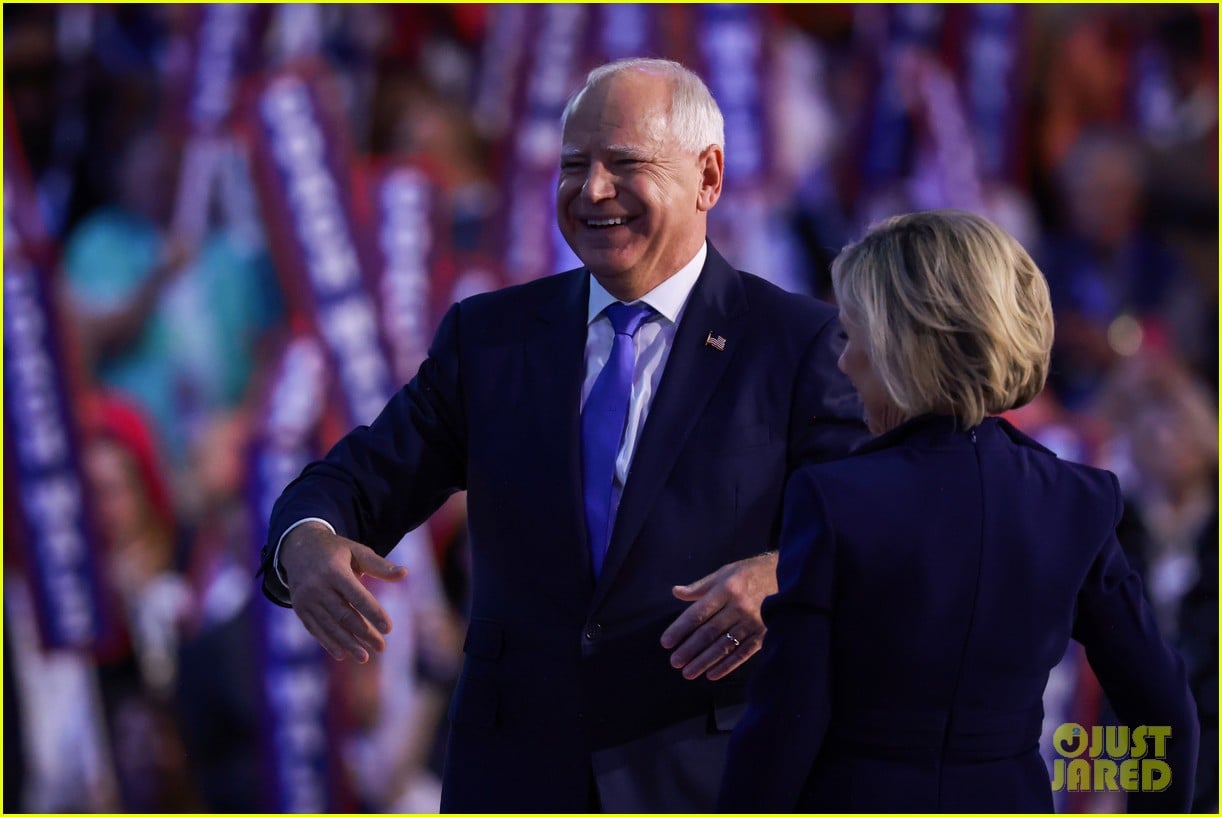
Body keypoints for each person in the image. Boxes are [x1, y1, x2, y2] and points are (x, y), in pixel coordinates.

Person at [259, 58, 867, 811]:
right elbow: (353, 481)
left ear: (708, 177)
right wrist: (307, 542)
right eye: (574, 166)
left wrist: (781, 574)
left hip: (705, 780)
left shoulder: (797, 343)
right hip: (514, 777)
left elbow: (875, 527)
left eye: (625, 162)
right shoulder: (489, 339)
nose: (595, 190)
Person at [718, 209, 1199, 812]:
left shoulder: (835, 499)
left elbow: (786, 725)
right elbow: (1164, 709)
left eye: (855, 335)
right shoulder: (1077, 500)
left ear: (904, 343)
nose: (845, 362)